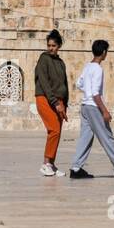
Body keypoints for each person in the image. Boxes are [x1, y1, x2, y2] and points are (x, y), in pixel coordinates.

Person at [69, 40, 114, 179]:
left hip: (85, 107)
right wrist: (105, 111)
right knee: (107, 136)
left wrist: (87, 92)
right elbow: (95, 94)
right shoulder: (98, 69)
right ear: (104, 52)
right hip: (94, 107)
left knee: (85, 138)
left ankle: (76, 168)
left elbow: (79, 83)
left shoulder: (88, 66)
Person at [34, 28, 69, 177]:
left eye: (53, 46)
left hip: (59, 101)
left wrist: (64, 104)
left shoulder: (61, 63)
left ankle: (51, 164)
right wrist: (55, 102)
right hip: (45, 98)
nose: (50, 48)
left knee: (57, 132)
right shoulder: (44, 58)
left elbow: (64, 84)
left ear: (59, 46)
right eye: (49, 45)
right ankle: (45, 163)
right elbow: (44, 82)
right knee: (54, 130)